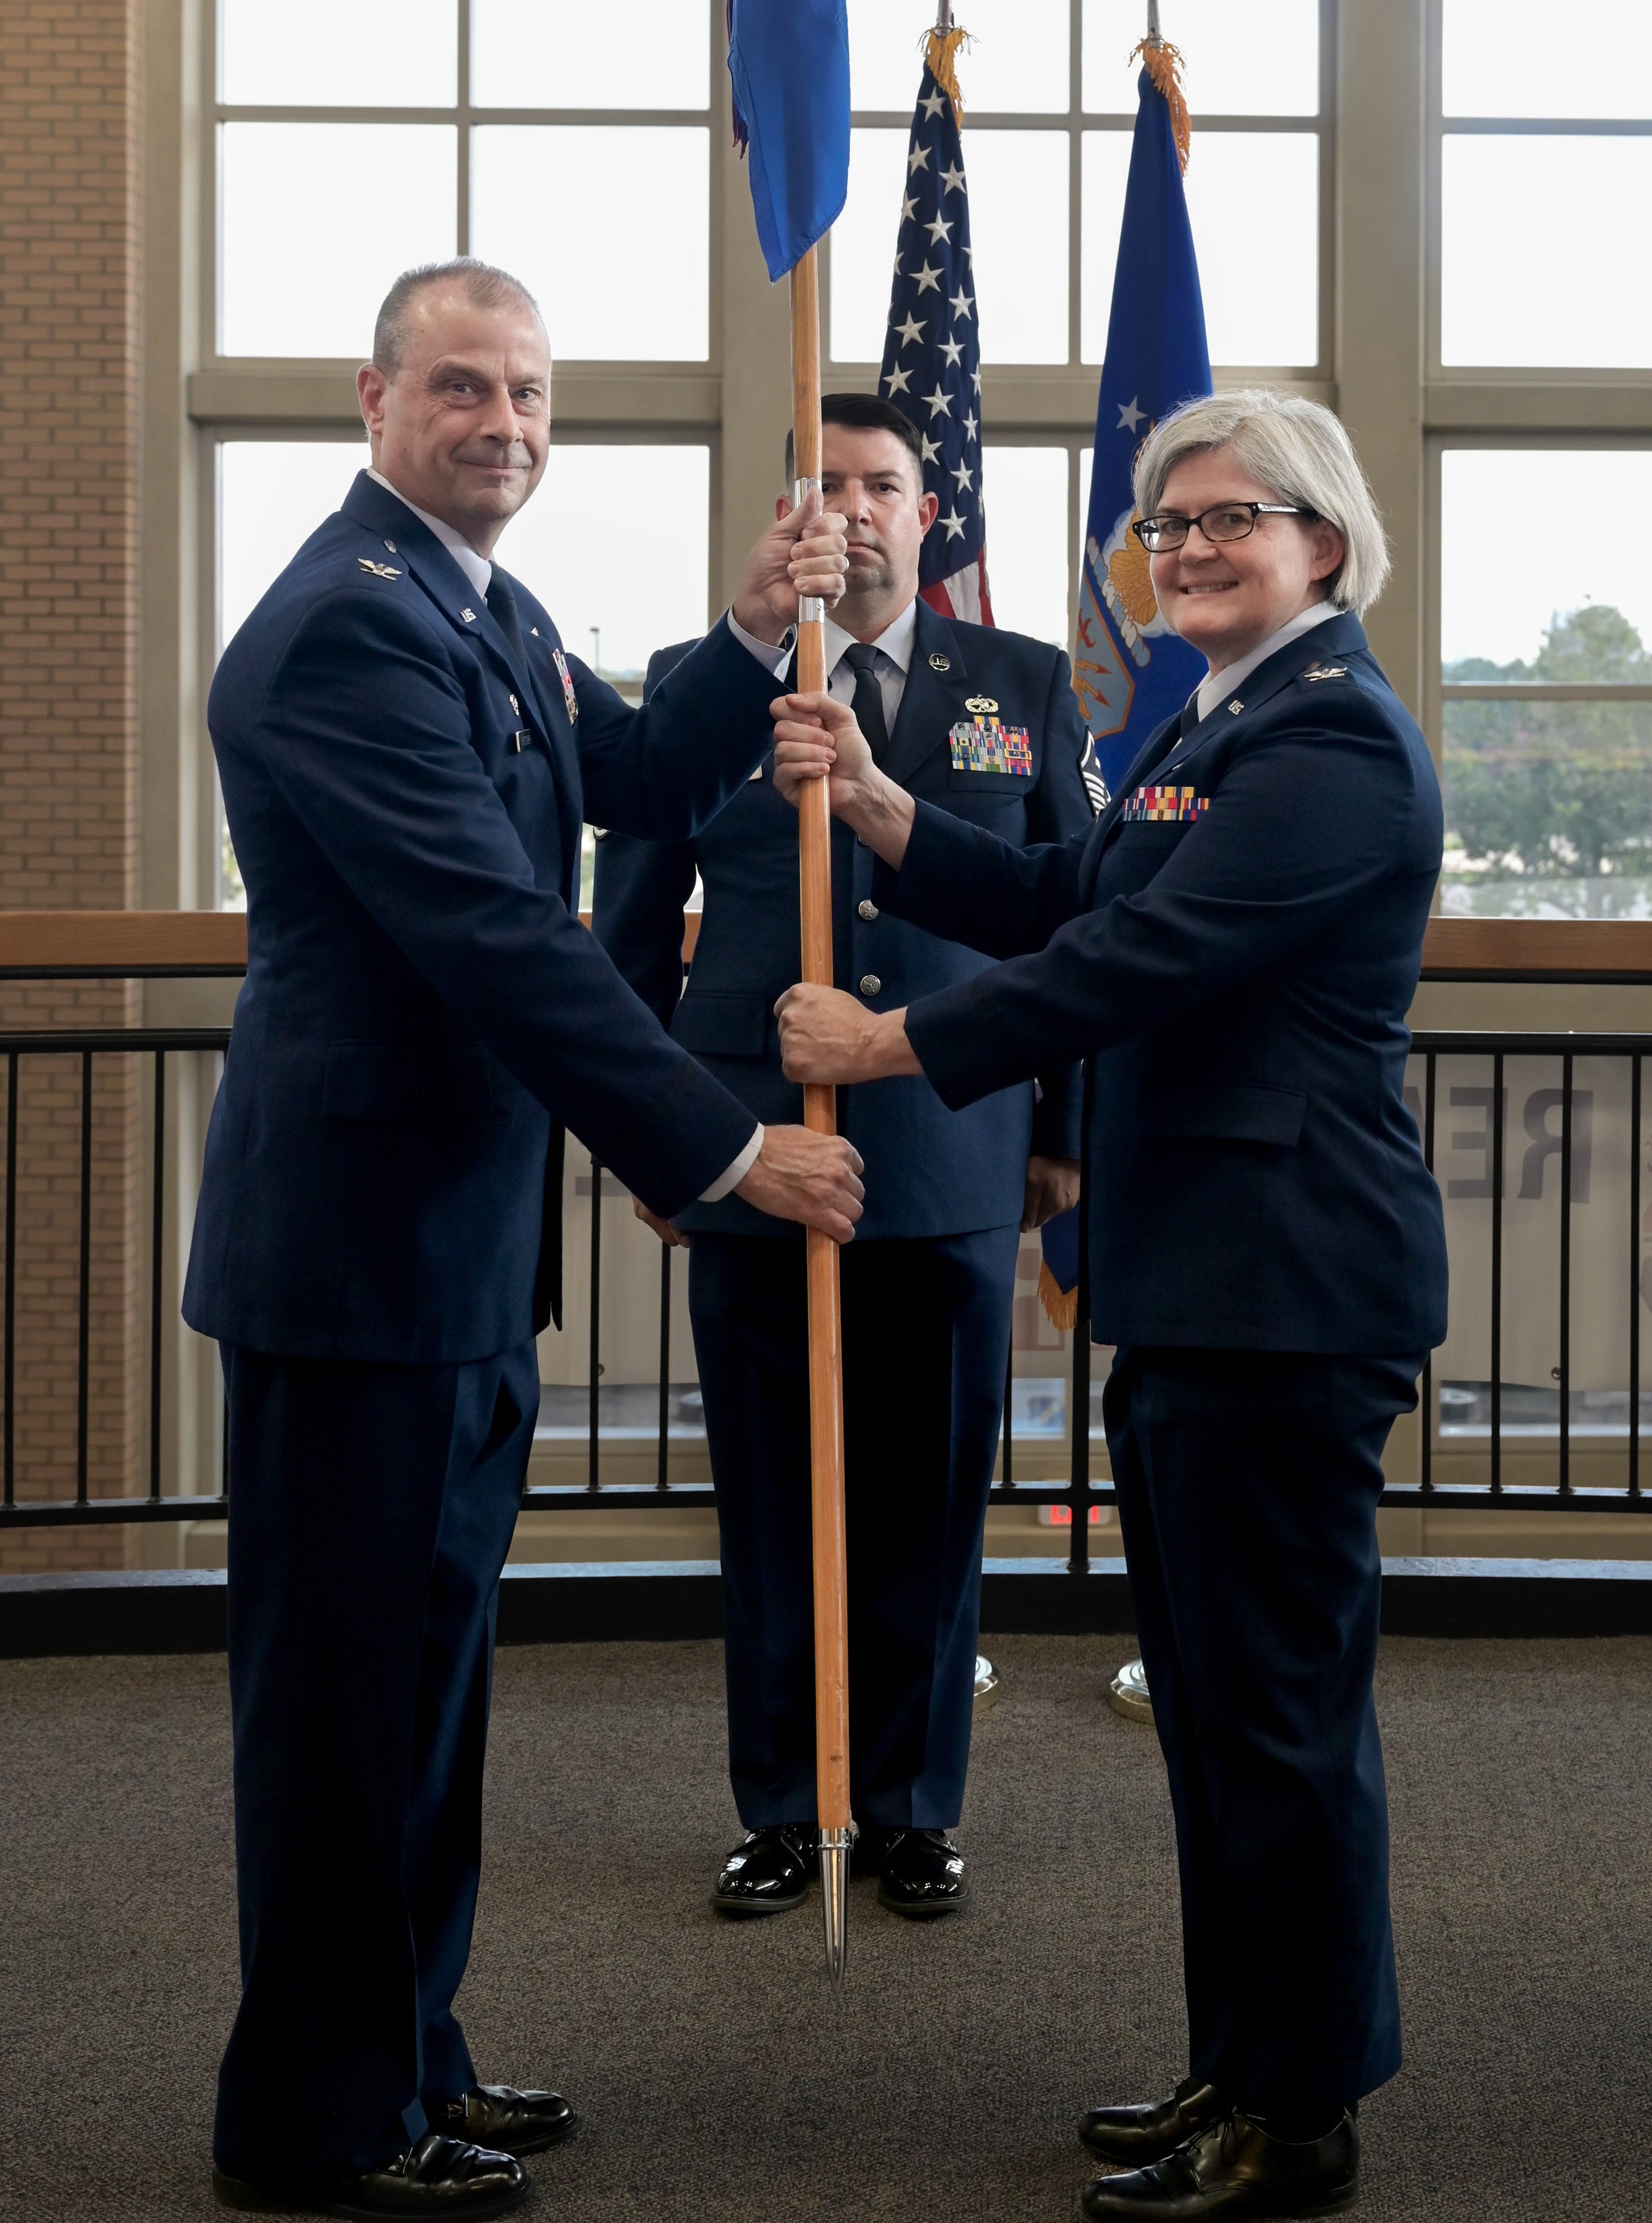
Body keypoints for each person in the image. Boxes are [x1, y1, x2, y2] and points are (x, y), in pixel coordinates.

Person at [186, 258, 863, 2221]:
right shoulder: (344, 632)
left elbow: (639, 778)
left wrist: (750, 630)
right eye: (465, 389)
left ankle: (413, 2054)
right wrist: (725, 1147)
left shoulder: (485, 608)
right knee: (342, 1710)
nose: (505, 426)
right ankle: (314, 2121)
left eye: (532, 396)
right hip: (355, 1262)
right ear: (376, 399)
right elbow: (500, 934)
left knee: (426, 1684)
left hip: (454, 1256)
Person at [769, 389, 1446, 2223]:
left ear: (1324, 538)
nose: (1194, 549)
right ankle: (1240, 2062)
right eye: (1169, 526)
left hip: (1286, 1292)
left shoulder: (1334, 748)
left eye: (1236, 518)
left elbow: (1137, 961)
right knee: (1225, 1716)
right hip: (1200, 1288)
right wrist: (891, 803)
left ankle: (1298, 2118)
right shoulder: (1207, 728)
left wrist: (889, 1039)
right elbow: (1069, 886)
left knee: (1279, 1724)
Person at [592, 394, 1103, 1921]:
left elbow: (1074, 927)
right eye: (825, 483)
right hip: (750, 1149)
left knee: (931, 1504)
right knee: (766, 1503)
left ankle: (908, 1807)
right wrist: (660, 1140)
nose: (857, 509)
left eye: (884, 484)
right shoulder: (697, 690)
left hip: (951, 1152)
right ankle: (780, 1807)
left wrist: (1062, 1137)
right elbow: (626, 943)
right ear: (784, 515)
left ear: (927, 514)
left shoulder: (1018, 685)